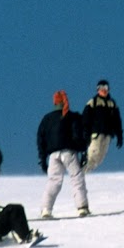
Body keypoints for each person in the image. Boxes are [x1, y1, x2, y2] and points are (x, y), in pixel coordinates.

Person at [36, 90, 89, 218]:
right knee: (76, 179)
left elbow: (40, 139)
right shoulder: (73, 116)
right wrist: (83, 151)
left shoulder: (47, 119)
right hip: (69, 153)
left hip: (53, 155)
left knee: (53, 182)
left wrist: (42, 159)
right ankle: (82, 207)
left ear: (55, 102)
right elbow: (79, 135)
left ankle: (46, 210)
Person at [82, 79, 123, 172]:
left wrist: (119, 135)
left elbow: (117, 121)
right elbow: (85, 120)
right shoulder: (93, 102)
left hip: (108, 134)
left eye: (105, 88)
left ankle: (86, 173)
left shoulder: (112, 104)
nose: (104, 90)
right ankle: (80, 174)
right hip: (96, 133)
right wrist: (86, 134)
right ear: (98, 90)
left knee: (100, 158)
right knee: (93, 155)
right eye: (101, 88)